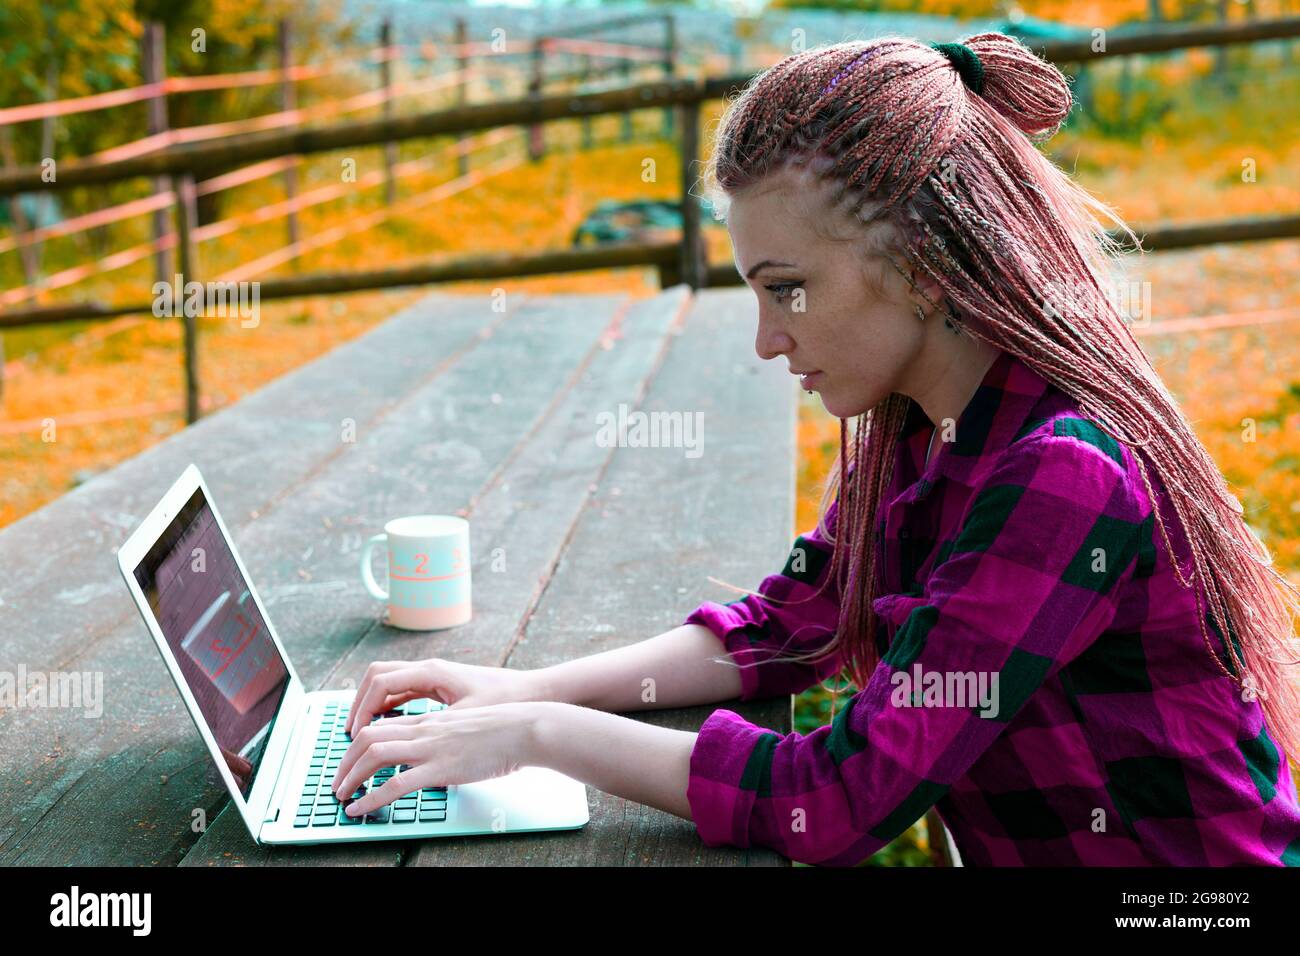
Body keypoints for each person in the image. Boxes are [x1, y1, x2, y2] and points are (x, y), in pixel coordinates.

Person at [331, 33, 1300, 866]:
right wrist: (525, 687)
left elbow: (836, 799)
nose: (764, 338)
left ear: (920, 265)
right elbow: (788, 621)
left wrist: (534, 735)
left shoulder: (1063, 472)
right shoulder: (927, 430)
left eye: (787, 288)